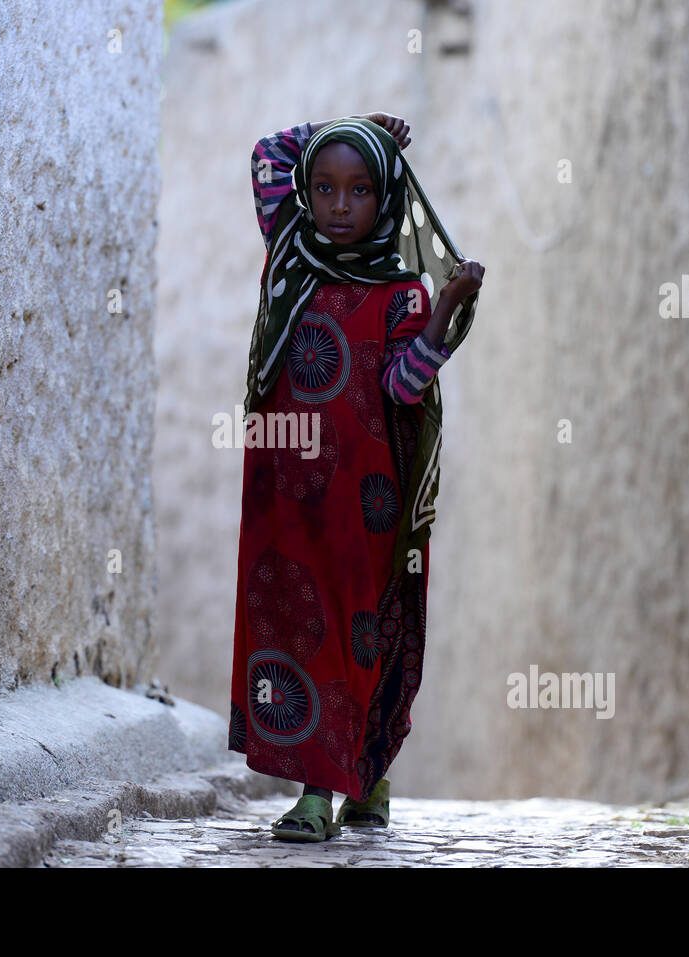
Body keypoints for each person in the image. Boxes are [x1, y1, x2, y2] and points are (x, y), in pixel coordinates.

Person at [228, 112, 484, 841]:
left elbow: (404, 387)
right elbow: (266, 152)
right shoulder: (290, 251)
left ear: (387, 199)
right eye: (326, 187)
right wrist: (350, 123)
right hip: (283, 498)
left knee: (353, 632)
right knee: (293, 628)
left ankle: (326, 790)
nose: (339, 206)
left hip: (363, 506)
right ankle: (360, 781)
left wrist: (446, 311)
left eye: (360, 190)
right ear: (306, 193)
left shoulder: (402, 293)